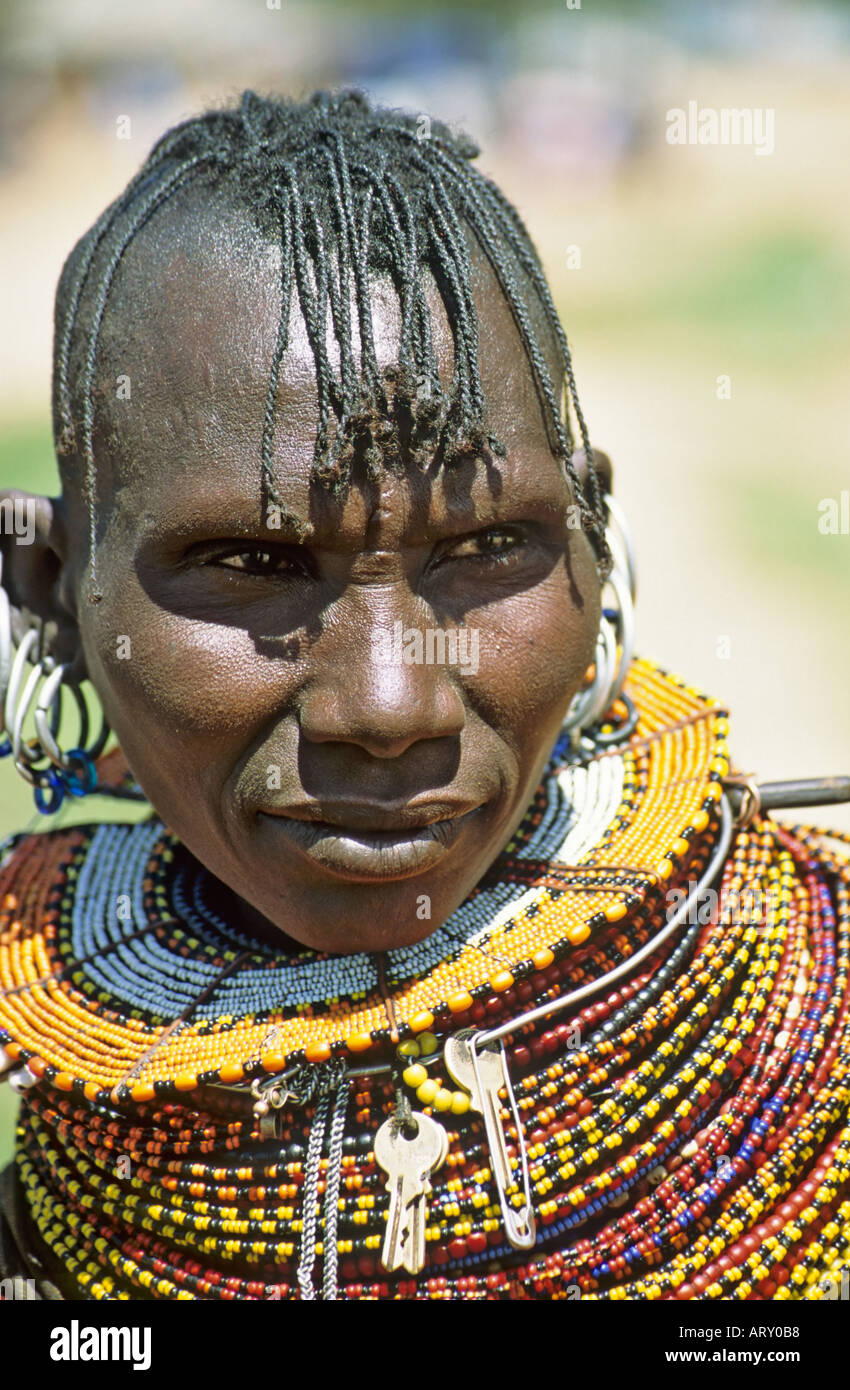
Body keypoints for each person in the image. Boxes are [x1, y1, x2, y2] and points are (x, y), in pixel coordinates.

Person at [0, 88, 848, 1302]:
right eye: (252, 566)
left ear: (592, 546)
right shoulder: (48, 1135)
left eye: (488, 548)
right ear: (52, 592)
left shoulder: (823, 1014)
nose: (392, 707)